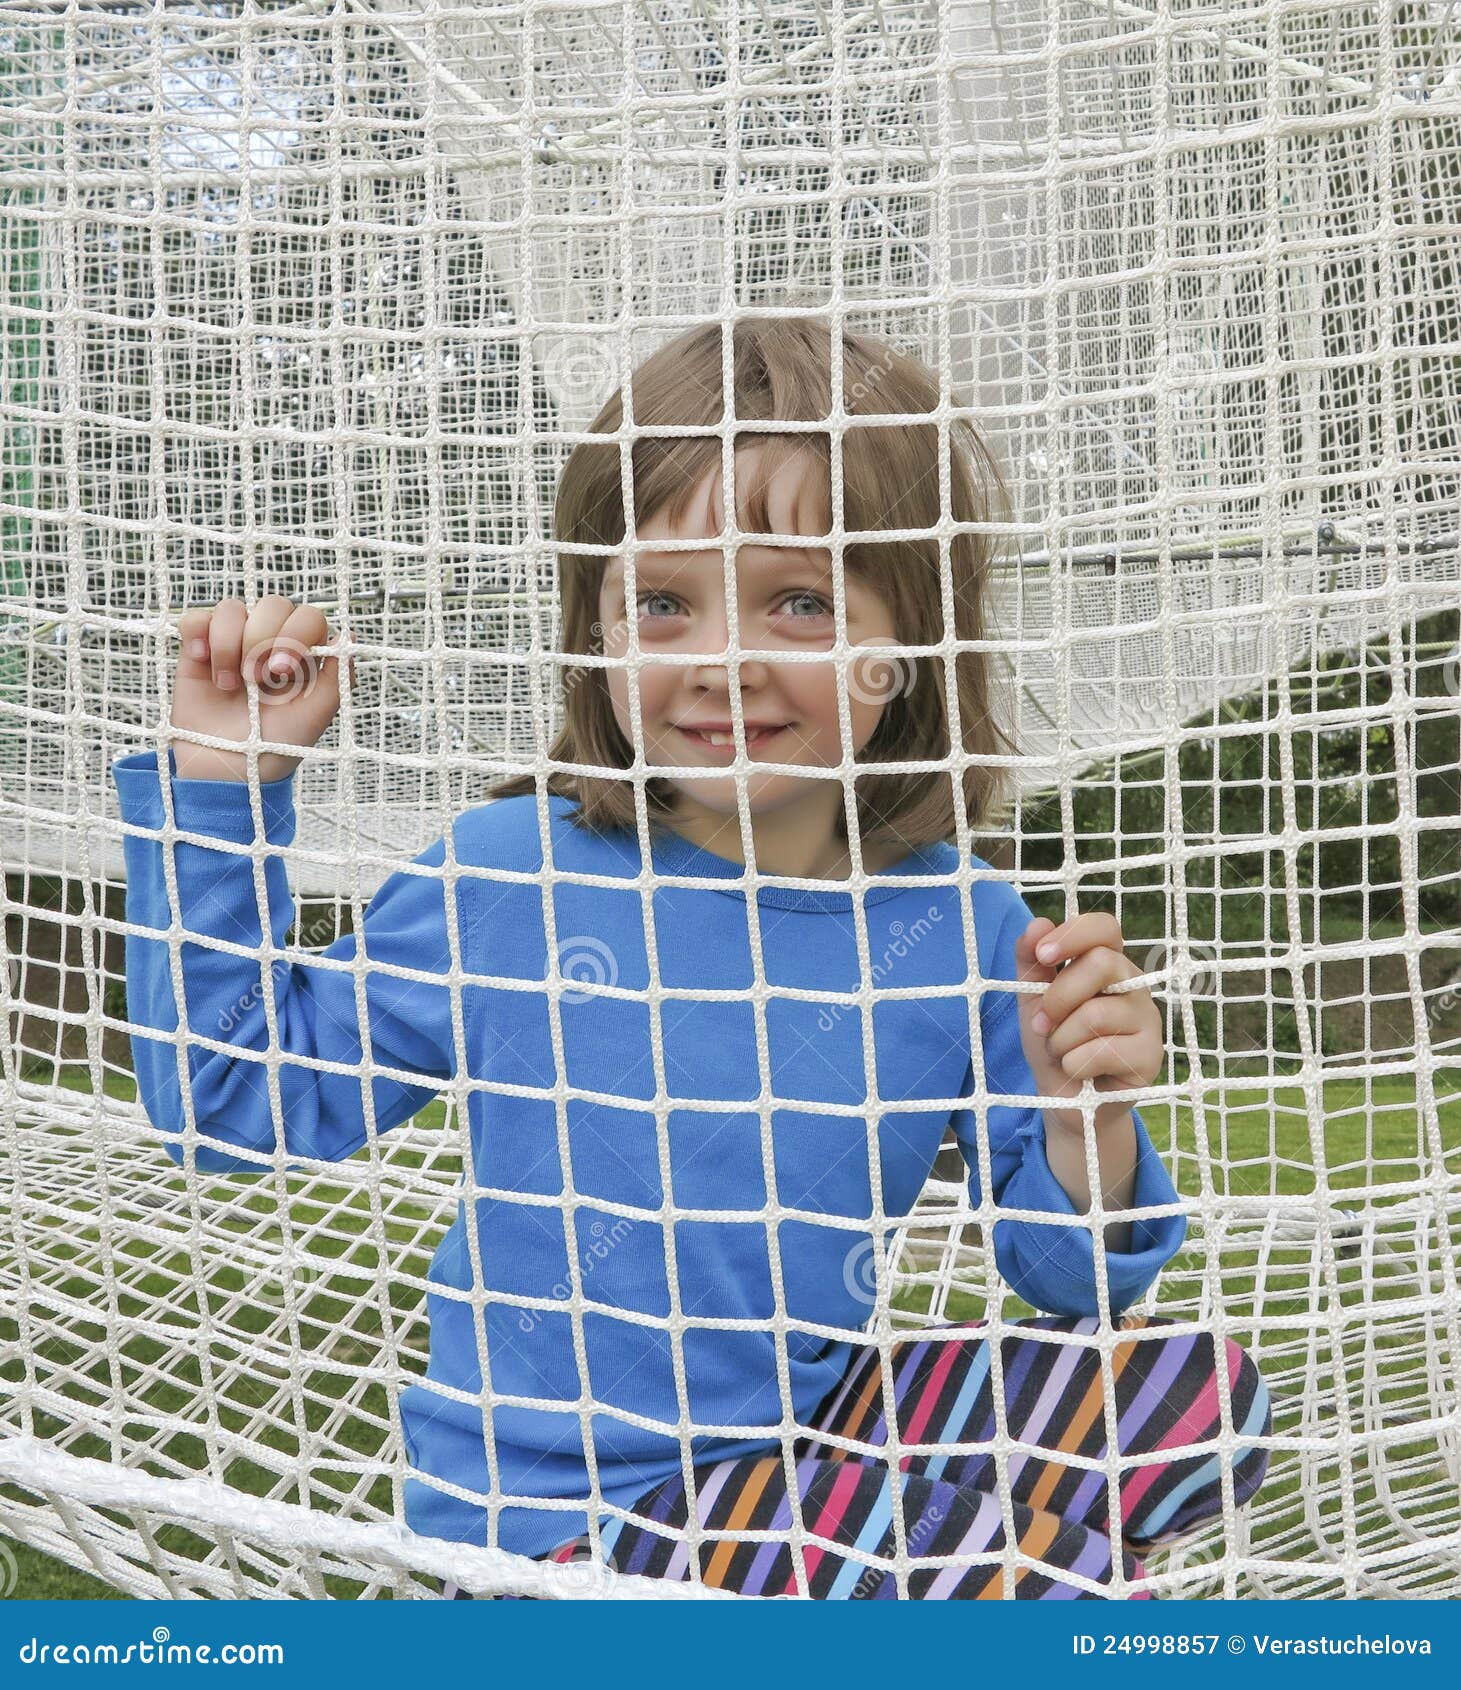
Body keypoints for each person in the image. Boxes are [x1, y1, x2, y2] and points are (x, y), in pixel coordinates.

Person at [114, 314, 1270, 1599]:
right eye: (662, 603)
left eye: (799, 600)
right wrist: (220, 786)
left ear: (912, 646)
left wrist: (1084, 1120)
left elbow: (1063, 1275)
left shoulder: (967, 927)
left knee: (1194, 1397)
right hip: (552, 1525)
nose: (724, 657)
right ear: (599, 634)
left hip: (807, 1431)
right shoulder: (515, 875)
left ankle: (883, 1567)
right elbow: (228, 1098)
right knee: (1023, 1578)